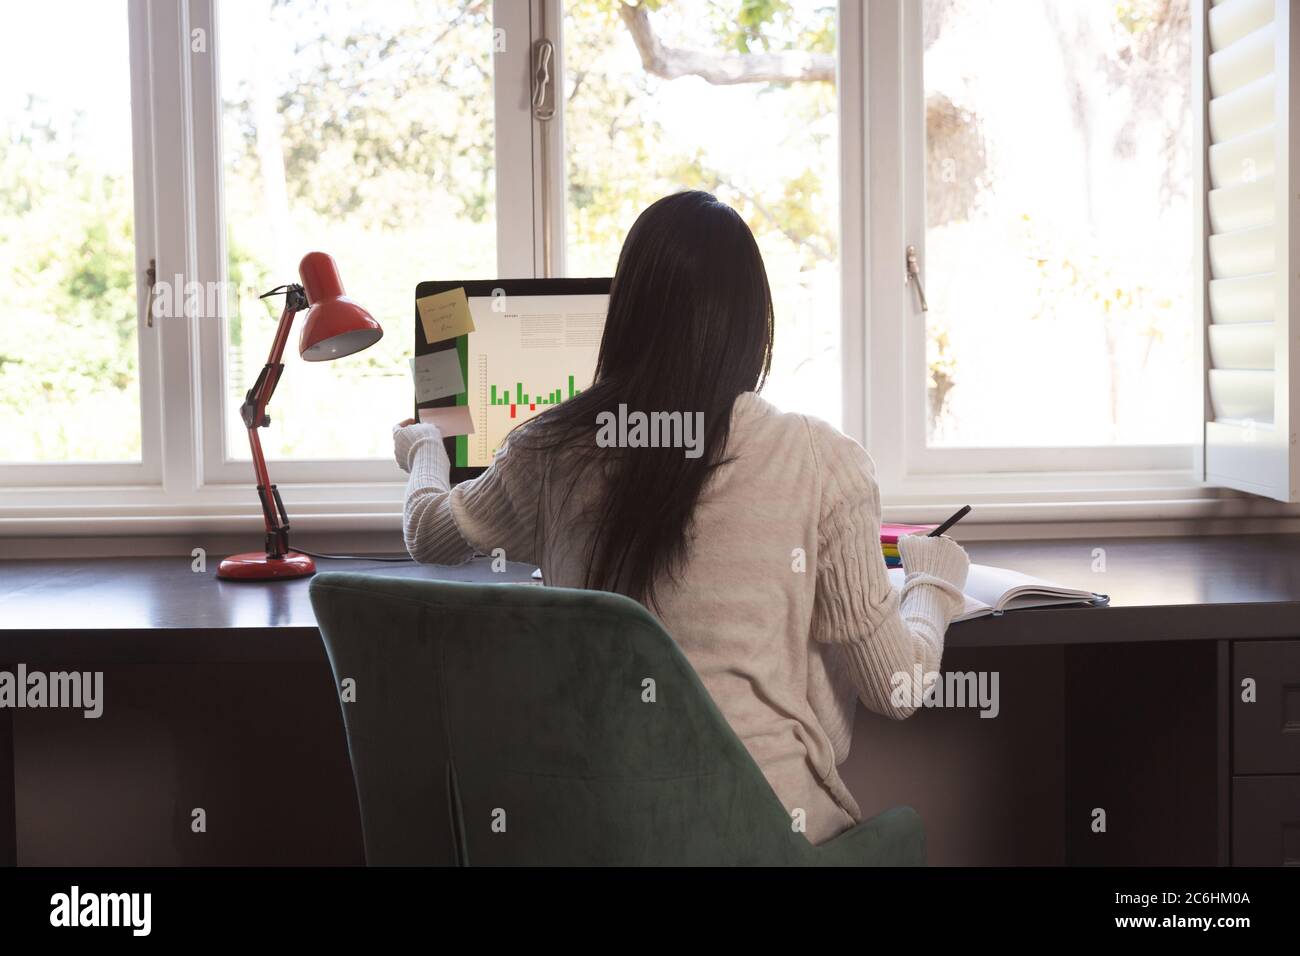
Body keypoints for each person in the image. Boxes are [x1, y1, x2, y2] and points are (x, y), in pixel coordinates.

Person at [393, 190, 969, 844]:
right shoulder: (823, 461)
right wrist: (934, 583)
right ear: (754, 325)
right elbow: (897, 689)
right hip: (769, 842)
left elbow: (429, 534)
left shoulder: (549, 449)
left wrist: (423, 452)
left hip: (596, 841)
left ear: (626, 316)